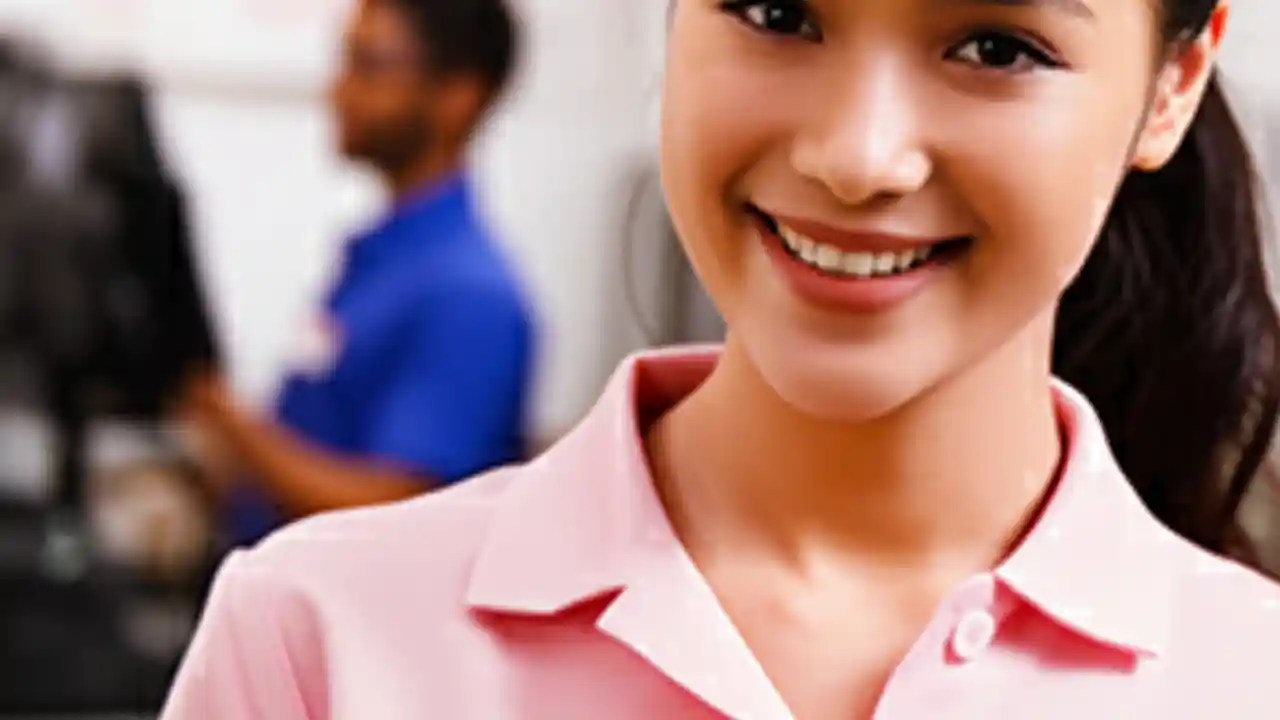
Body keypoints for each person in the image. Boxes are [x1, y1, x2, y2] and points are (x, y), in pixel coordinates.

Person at [163, 0, 1280, 717]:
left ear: (1169, 87)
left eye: (996, 47)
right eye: (775, 12)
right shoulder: (314, 640)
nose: (853, 156)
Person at [181, 0, 533, 547]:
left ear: (458, 96)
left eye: (368, 66)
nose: (339, 91)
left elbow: (397, 508)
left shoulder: (470, 297)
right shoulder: (379, 259)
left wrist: (225, 418)